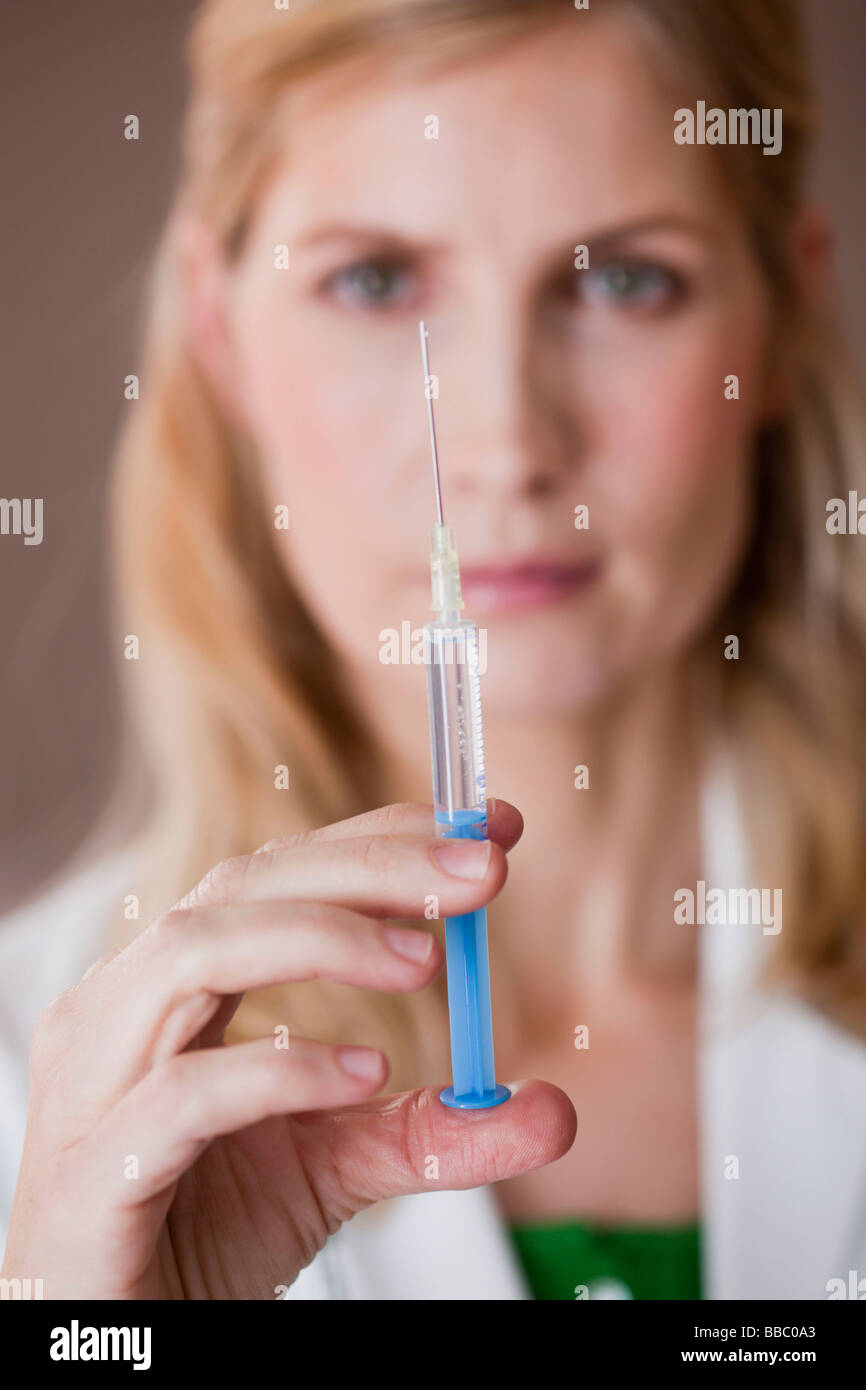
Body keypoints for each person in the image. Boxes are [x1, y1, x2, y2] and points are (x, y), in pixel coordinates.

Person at [2, 0, 866, 1301]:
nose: (506, 440)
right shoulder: (35, 1086)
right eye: (373, 280)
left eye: (622, 277)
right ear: (218, 326)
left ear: (781, 317)